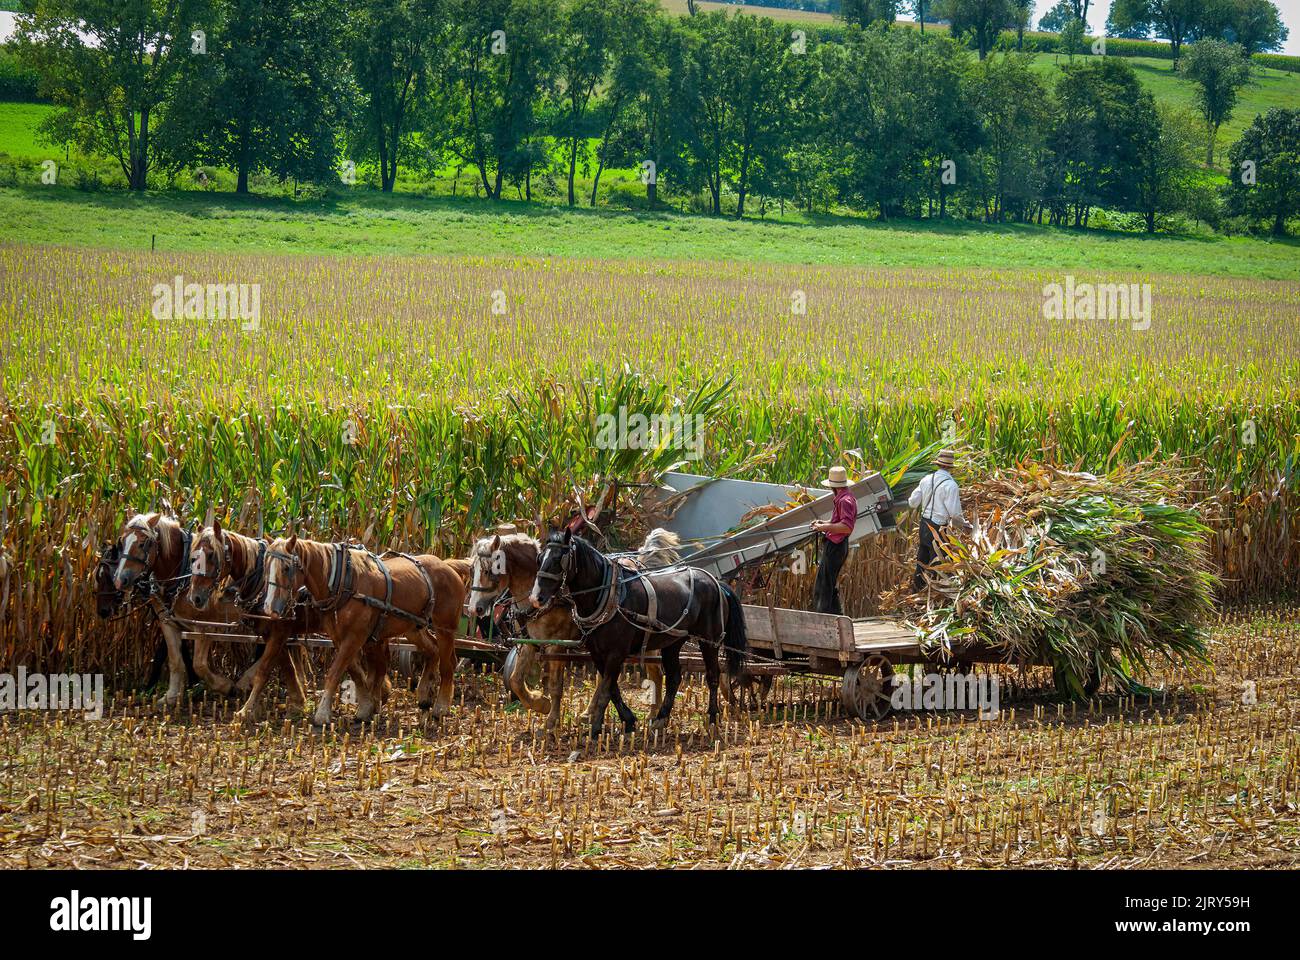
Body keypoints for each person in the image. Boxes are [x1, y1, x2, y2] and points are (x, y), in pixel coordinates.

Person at [908, 448, 972, 590]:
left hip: (924, 524)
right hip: (938, 528)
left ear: (938, 464)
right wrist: (964, 525)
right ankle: (933, 593)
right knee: (938, 562)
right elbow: (955, 514)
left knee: (922, 558)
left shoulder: (925, 480)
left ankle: (917, 590)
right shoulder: (950, 485)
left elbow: (912, 502)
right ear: (950, 468)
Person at [810, 465, 858, 615]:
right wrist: (822, 524)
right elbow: (839, 522)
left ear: (832, 485)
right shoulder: (845, 498)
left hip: (836, 546)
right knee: (829, 583)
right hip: (838, 545)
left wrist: (823, 528)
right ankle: (837, 616)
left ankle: (823, 617)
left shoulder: (844, 500)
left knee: (824, 585)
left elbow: (846, 527)